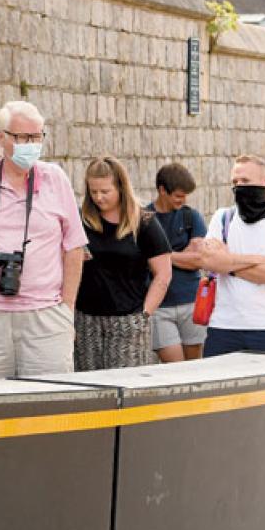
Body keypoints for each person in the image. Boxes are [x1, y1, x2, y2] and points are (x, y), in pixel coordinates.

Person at [0, 100, 87, 378]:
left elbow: (73, 247)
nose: (31, 145)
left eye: (37, 137)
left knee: (48, 406)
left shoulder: (56, 179)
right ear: (1, 137)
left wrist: (66, 308)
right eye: (23, 137)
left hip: (46, 318)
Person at [74, 156, 172, 371]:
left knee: (126, 386)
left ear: (121, 187)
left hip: (128, 320)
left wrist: (144, 314)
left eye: (105, 191)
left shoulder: (144, 222)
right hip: (86, 320)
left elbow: (163, 275)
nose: (98, 197)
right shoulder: (79, 220)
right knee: (89, 385)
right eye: (93, 191)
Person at [196, 155, 265, 356]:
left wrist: (228, 264)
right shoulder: (222, 218)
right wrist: (257, 259)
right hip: (223, 326)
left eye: (246, 181)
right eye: (235, 182)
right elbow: (208, 262)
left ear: (264, 182)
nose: (240, 186)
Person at [146, 163, 208, 362]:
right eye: (178, 196)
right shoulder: (144, 218)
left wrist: (162, 255)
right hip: (160, 306)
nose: (183, 200)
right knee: (175, 367)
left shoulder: (191, 216)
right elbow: (142, 261)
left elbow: (199, 260)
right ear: (162, 190)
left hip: (192, 302)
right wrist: (183, 255)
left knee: (194, 367)